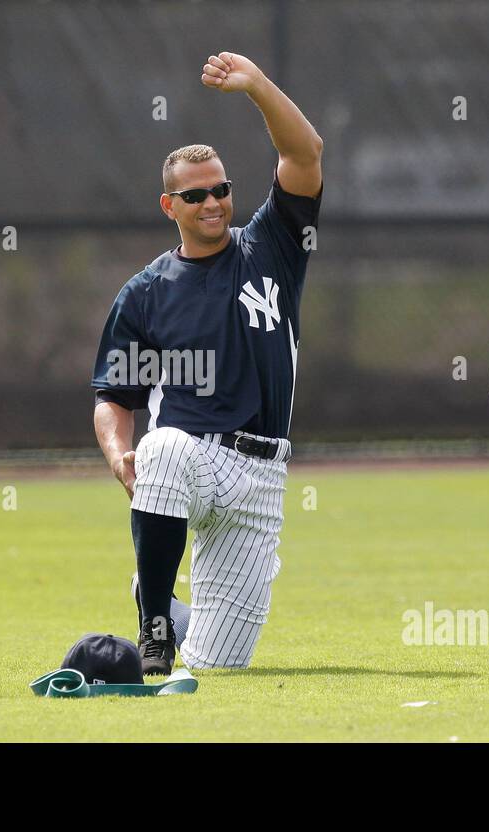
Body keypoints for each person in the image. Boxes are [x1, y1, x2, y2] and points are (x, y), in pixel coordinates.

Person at [91, 52, 323, 675]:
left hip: (262, 474)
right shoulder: (145, 292)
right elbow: (114, 396)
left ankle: (158, 594)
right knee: (161, 445)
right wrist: (119, 455)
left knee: (222, 662)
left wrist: (256, 88)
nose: (213, 202)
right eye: (195, 195)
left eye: (221, 189)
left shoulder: (272, 246)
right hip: (193, 458)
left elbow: (305, 156)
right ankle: (155, 624)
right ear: (171, 206)